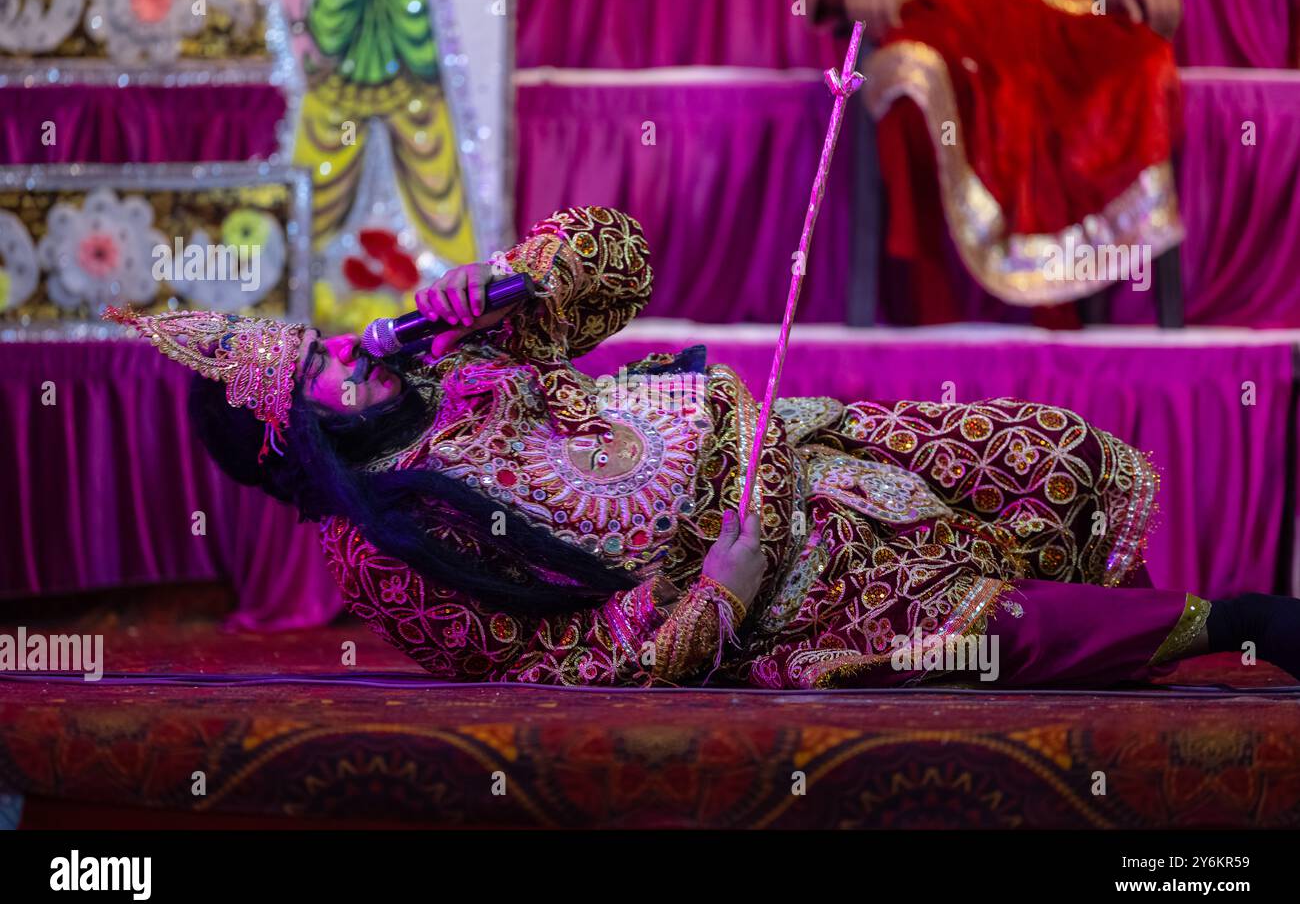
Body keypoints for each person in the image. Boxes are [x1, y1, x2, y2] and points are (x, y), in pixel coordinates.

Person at [108, 206, 1299, 688]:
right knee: (990, 626)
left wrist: (483, 289)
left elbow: (619, 262)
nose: (346, 360)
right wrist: (719, 599)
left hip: (794, 442)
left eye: (325, 342)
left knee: (1049, 453)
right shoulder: (385, 557)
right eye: (318, 374)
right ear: (303, 439)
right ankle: (1236, 623)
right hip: (779, 587)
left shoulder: (457, 363)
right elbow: (569, 676)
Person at [803, 0, 1185, 324]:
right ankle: (932, 320)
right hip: (934, 7)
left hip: (1058, 14)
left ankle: (1061, 307)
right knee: (919, 75)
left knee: (1140, 59)